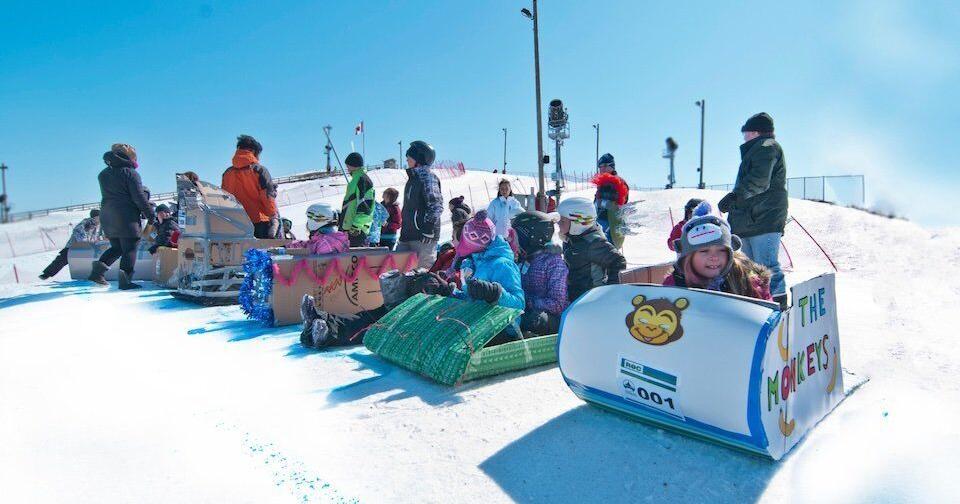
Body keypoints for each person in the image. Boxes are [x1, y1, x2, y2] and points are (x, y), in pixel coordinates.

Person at [718, 112, 788, 309]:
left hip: (763, 218)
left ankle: (778, 304)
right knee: (752, 268)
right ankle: (760, 302)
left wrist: (734, 197)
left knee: (766, 265)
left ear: (755, 132)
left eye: (746, 132)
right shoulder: (757, 150)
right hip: (751, 220)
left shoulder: (767, 147)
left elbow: (759, 181)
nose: (744, 137)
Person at [664, 202, 772, 301]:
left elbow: (765, 312)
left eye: (721, 250)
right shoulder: (675, 285)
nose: (714, 257)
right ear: (689, 256)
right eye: (704, 251)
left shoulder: (747, 281)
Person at [89, 143, 155, 289]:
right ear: (129, 157)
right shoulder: (130, 173)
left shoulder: (103, 174)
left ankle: (97, 272)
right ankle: (126, 281)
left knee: (117, 247)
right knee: (130, 248)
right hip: (126, 217)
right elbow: (138, 197)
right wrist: (150, 214)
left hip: (107, 216)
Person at [557, 197, 626, 303]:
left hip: (591, 300)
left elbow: (618, 261)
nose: (558, 223)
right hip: (576, 298)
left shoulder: (593, 243)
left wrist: (610, 291)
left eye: (562, 220)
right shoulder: (572, 238)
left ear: (577, 223)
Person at [513, 211, 568, 335]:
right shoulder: (522, 258)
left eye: (517, 236)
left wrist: (528, 302)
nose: (515, 241)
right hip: (524, 311)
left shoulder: (553, 263)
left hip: (550, 320)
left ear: (532, 237)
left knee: (532, 320)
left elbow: (557, 304)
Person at [221, 134, 278, 239]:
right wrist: (274, 216)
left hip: (235, 223)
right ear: (253, 151)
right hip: (259, 222)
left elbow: (224, 199)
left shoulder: (227, 173)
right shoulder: (259, 170)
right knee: (261, 250)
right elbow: (267, 196)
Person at [397, 141, 443, 268]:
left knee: (423, 271)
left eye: (410, 157)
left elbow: (436, 205)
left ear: (419, 159)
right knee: (399, 269)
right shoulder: (412, 179)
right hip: (407, 235)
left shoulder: (427, 177)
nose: (407, 159)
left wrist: (428, 227)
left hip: (423, 236)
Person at [39, 209, 103, 280]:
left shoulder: (96, 226)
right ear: (95, 217)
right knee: (62, 260)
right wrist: (85, 243)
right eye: (100, 217)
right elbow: (78, 231)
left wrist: (96, 242)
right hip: (73, 246)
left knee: (91, 259)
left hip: (85, 248)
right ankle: (46, 274)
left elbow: (94, 238)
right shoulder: (86, 223)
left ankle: (90, 274)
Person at [339, 152, 375, 247]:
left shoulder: (362, 179)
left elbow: (365, 204)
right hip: (348, 227)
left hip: (356, 230)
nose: (347, 168)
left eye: (348, 165)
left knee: (355, 255)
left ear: (354, 165)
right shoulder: (355, 179)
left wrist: (356, 226)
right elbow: (350, 203)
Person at [592, 171, 630, 249]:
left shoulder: (620, 182)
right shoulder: (602, 182)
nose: (602, 168)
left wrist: (611, 205)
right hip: (600, 218)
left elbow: (623, 201)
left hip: (611, 222)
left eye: (605, 165)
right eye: (601, 166)